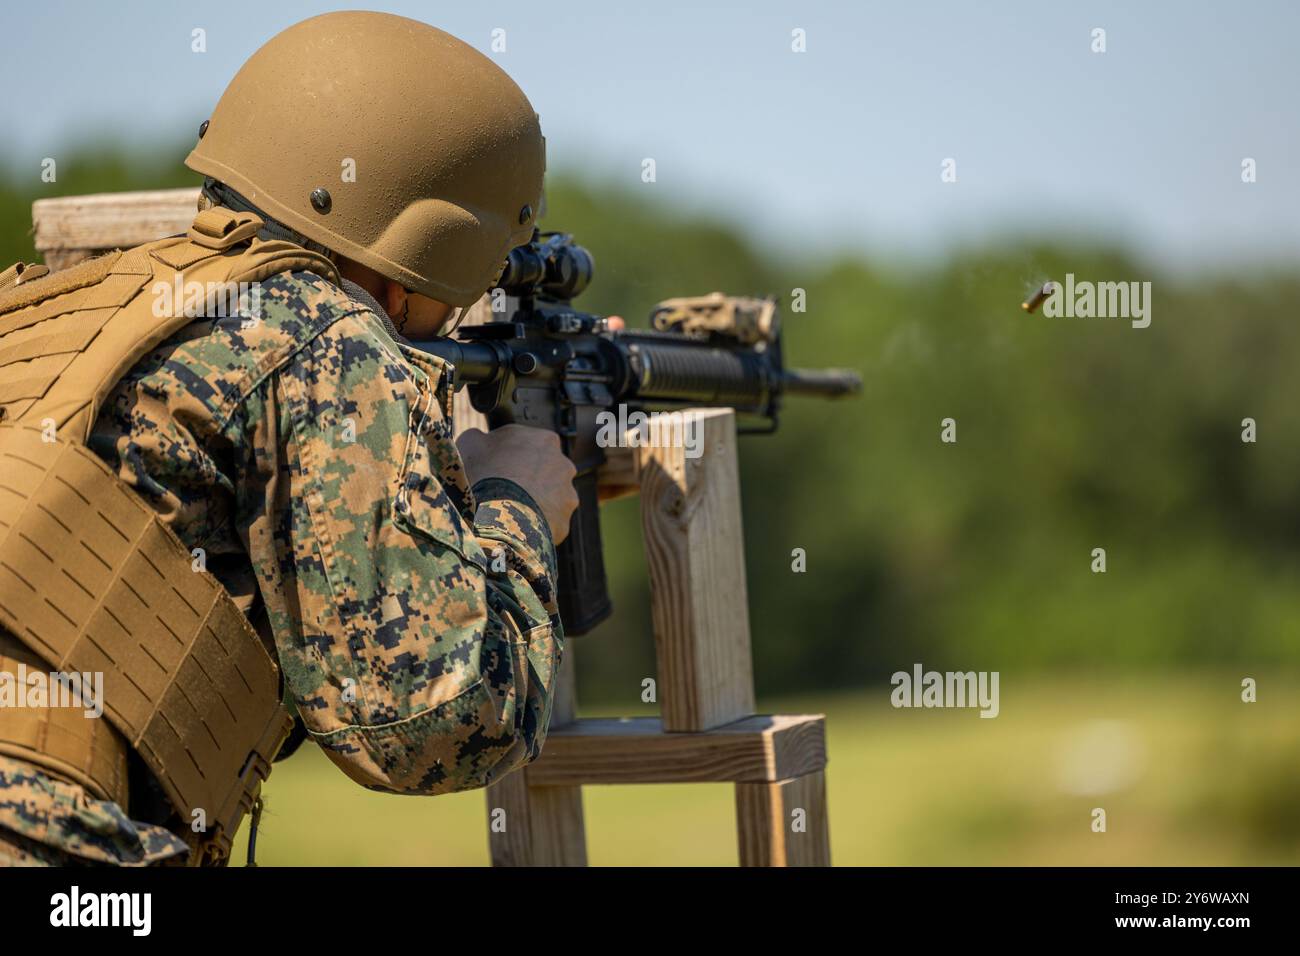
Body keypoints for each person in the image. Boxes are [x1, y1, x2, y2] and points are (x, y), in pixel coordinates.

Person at [0, 10, 578, 866]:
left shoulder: (60, 308)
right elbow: (437, 719)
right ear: (428, 250)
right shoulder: (322, 335)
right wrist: (514, 506)